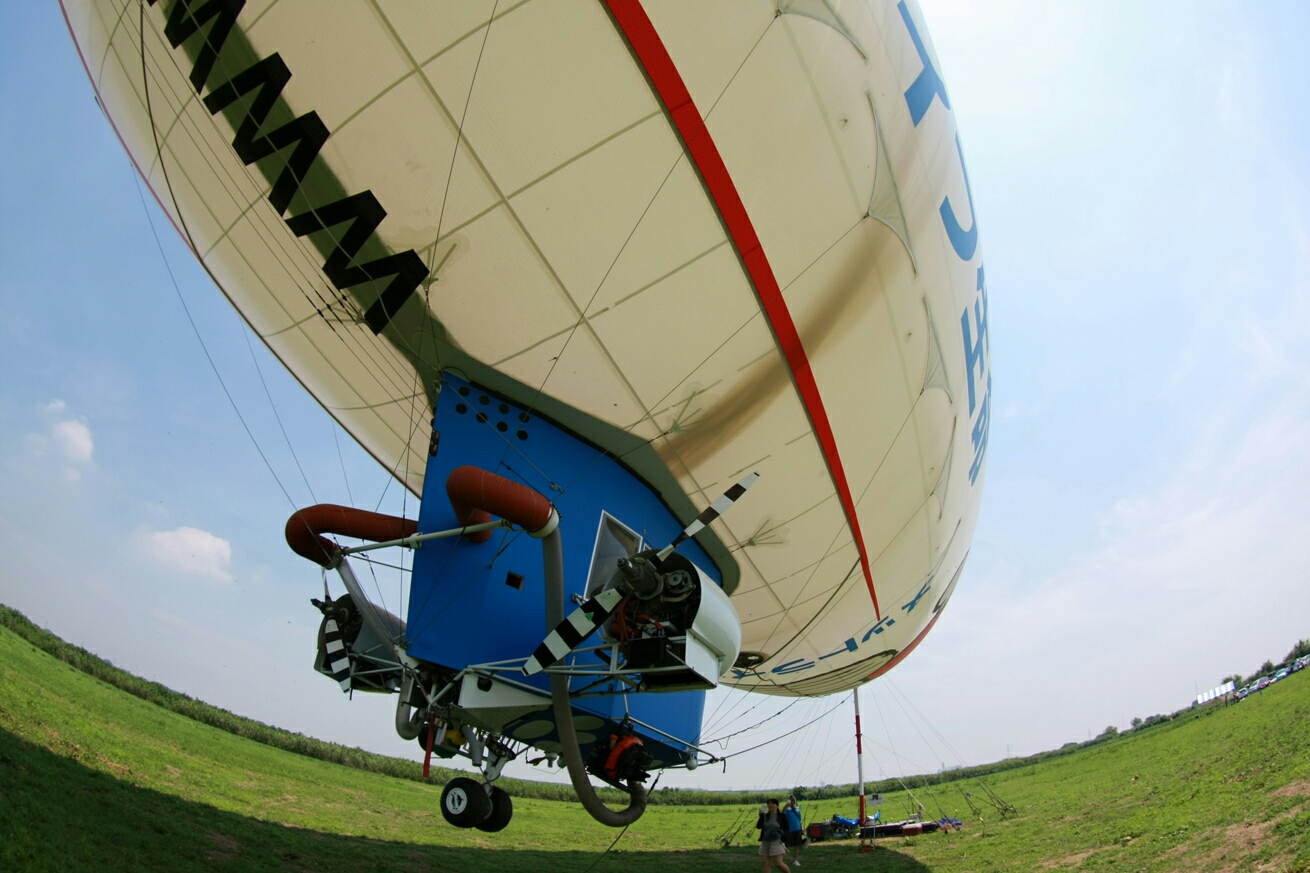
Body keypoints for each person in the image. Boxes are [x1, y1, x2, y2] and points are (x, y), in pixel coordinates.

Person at [756, 798, 790, 872]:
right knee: (765, 863)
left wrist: (782, 835)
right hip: (765, 841)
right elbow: (759, 826)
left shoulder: (781, 816)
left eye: (773, 803)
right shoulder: (765, 816)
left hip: (777, 841)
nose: (770, 805)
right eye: (769, 803)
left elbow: (787, 828)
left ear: (777, 806)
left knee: (778, 863)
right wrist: (761, 816)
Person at [783, 795, 805, 866]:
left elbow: (799, 819)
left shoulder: (797, 809)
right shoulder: (787, 810)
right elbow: (781, 815)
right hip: (789, 830)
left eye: (793, 800)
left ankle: (795, 860)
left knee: (797, 846)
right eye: (790, 800)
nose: (792, 801)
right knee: (786, 846)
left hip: (797, 829)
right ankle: (781, 860)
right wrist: (785, 806)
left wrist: (801, 827)